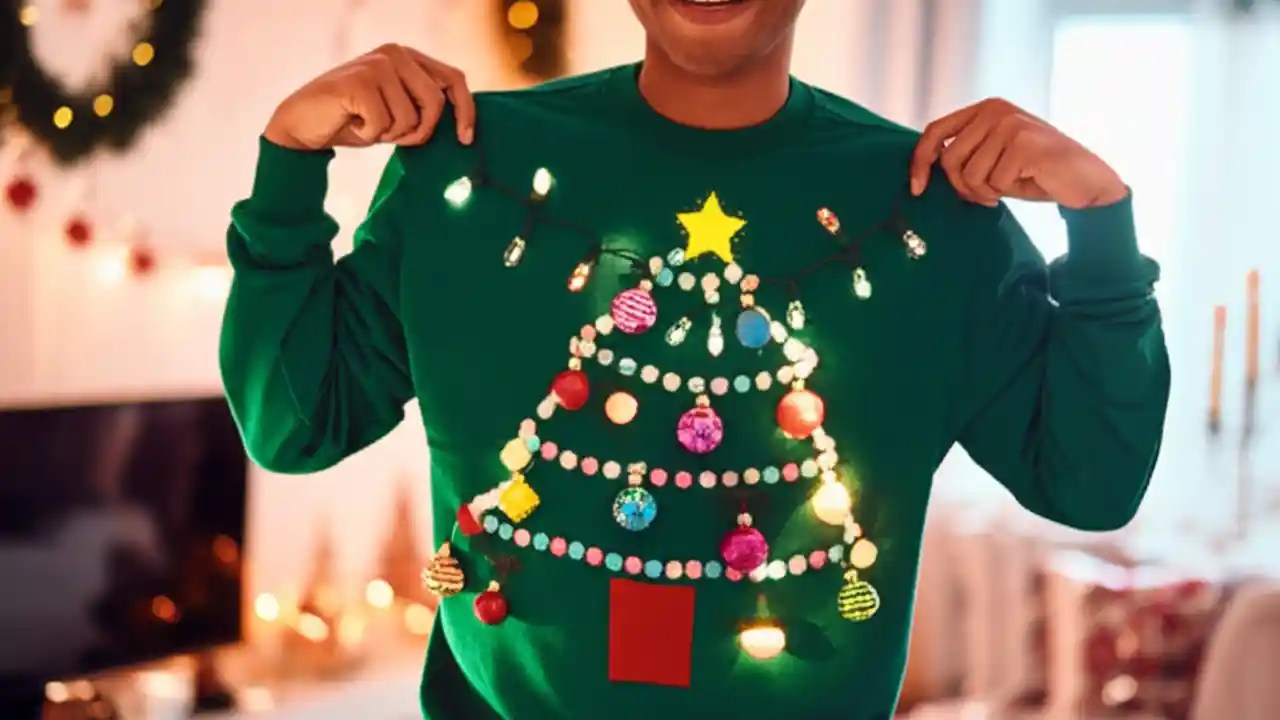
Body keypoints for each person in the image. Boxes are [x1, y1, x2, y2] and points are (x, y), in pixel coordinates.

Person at [220, 1, 1170, 717]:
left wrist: (1101, 231)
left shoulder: (930, 211)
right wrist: (290, 161)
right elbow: (294, 424)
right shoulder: (468, 170)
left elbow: (1090, 485)